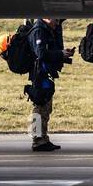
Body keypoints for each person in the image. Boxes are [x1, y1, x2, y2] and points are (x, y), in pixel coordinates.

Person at [28, 17, 73, 151]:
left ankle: (43, 138)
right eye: (56, 21)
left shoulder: (47, 29)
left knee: (46, 108)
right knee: (39, 107)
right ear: (46, 18)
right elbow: (40, 53)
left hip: (46, 74)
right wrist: (60, 53)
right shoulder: (39, 31)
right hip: (40, 74)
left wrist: (62, 54)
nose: (57, 23)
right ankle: (37, 140)